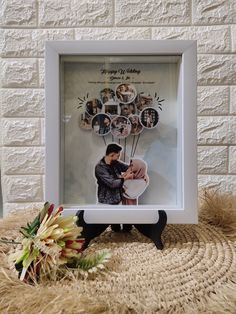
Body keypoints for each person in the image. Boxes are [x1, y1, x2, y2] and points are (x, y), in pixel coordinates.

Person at [95, 144, 133, 231]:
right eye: (118, 155)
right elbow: (112, 183)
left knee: (124, 214)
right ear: (111, 154)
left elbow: (127, 167)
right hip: (107, 199)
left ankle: (126, 230)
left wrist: (133, 166)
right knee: (113, 218)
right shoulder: (100, 168)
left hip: (118, 196)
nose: (119, 158)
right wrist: (125, 178)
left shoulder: (115, 163)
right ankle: (115, 231)